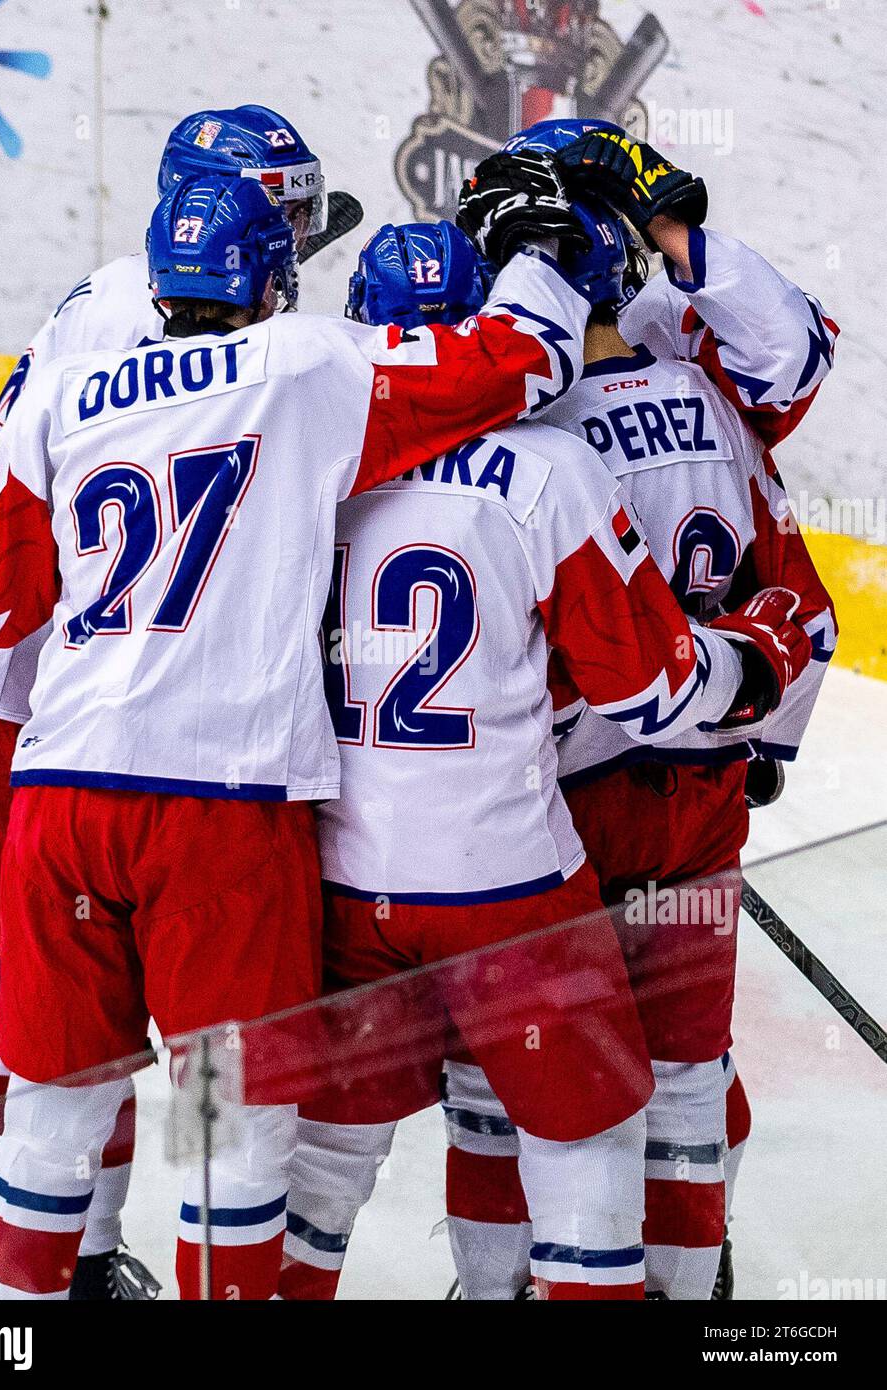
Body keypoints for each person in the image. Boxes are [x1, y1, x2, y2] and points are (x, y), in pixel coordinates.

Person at [0, 148, 628, 1299]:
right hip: (215, 823)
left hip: (61, 810)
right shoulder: (305, 365)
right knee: (226, 1136)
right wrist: (541, 260)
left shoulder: (65, 387)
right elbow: (516, 365)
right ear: (271, 281)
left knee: (52, 1108)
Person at [277, 215, 814, 1300]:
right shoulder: (566, 450)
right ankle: (667, 1285)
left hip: (346, 877)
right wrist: (762, 689)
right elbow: (652, 685)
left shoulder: (296, 460)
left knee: (328, 1153)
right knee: (615, 1123)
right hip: (517, 869)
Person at [0, 104, 333, 1303]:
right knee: (1, 992)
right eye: (279, 207)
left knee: (75, 1034)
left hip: (64, 707)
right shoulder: (158, 324)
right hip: (11, 692)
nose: (296, 233)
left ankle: (62, 1265)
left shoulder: (150, 291)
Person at [439, 125, 838, 1300]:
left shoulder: (506, 426)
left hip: (547, 812)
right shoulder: (713, 398)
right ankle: (688, 1282)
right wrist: (758, 739)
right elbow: (798, 596)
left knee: (519, 1079)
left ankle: (499, 1282)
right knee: (680, 1074)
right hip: (698, 794)